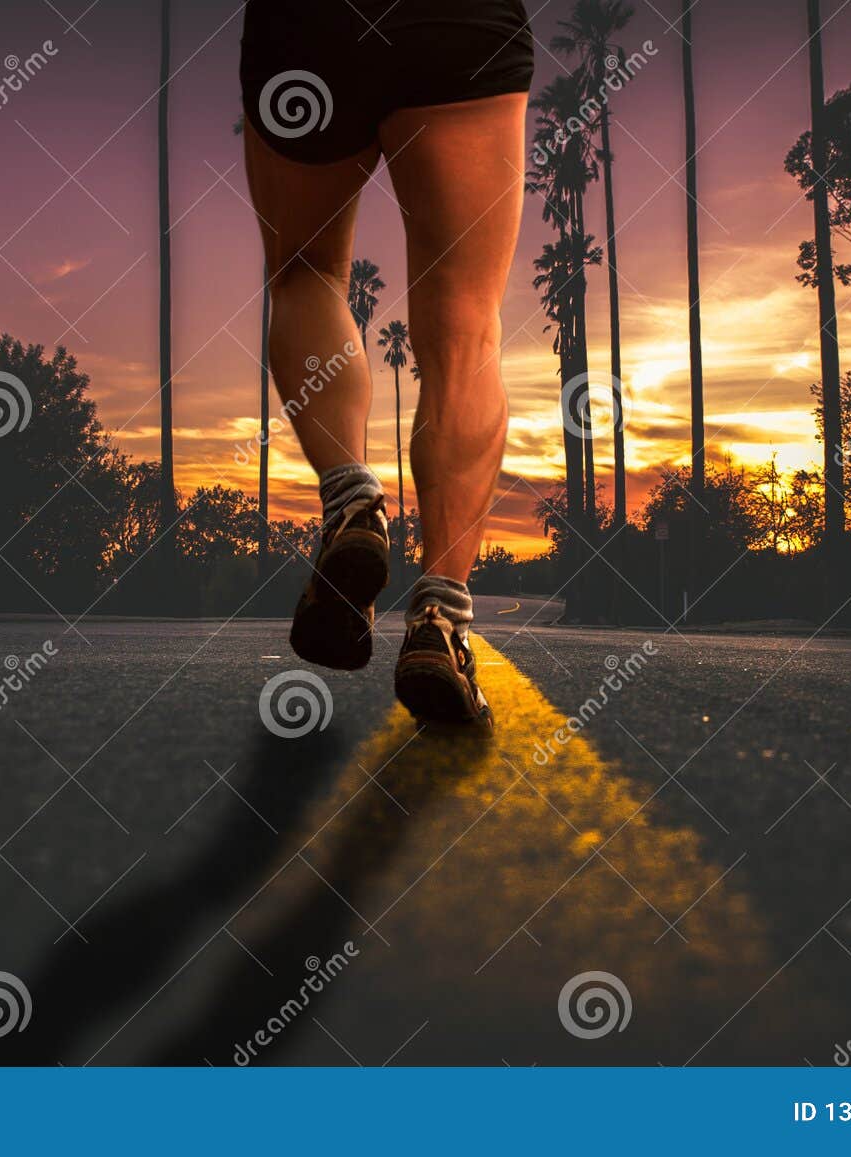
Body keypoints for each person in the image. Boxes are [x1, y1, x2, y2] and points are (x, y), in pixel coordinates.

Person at [240, 0, 534, 731]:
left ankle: (353, 500)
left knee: (305, 273)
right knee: (465, 326)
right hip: (461, 25)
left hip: (309, 26)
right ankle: (440, 619)